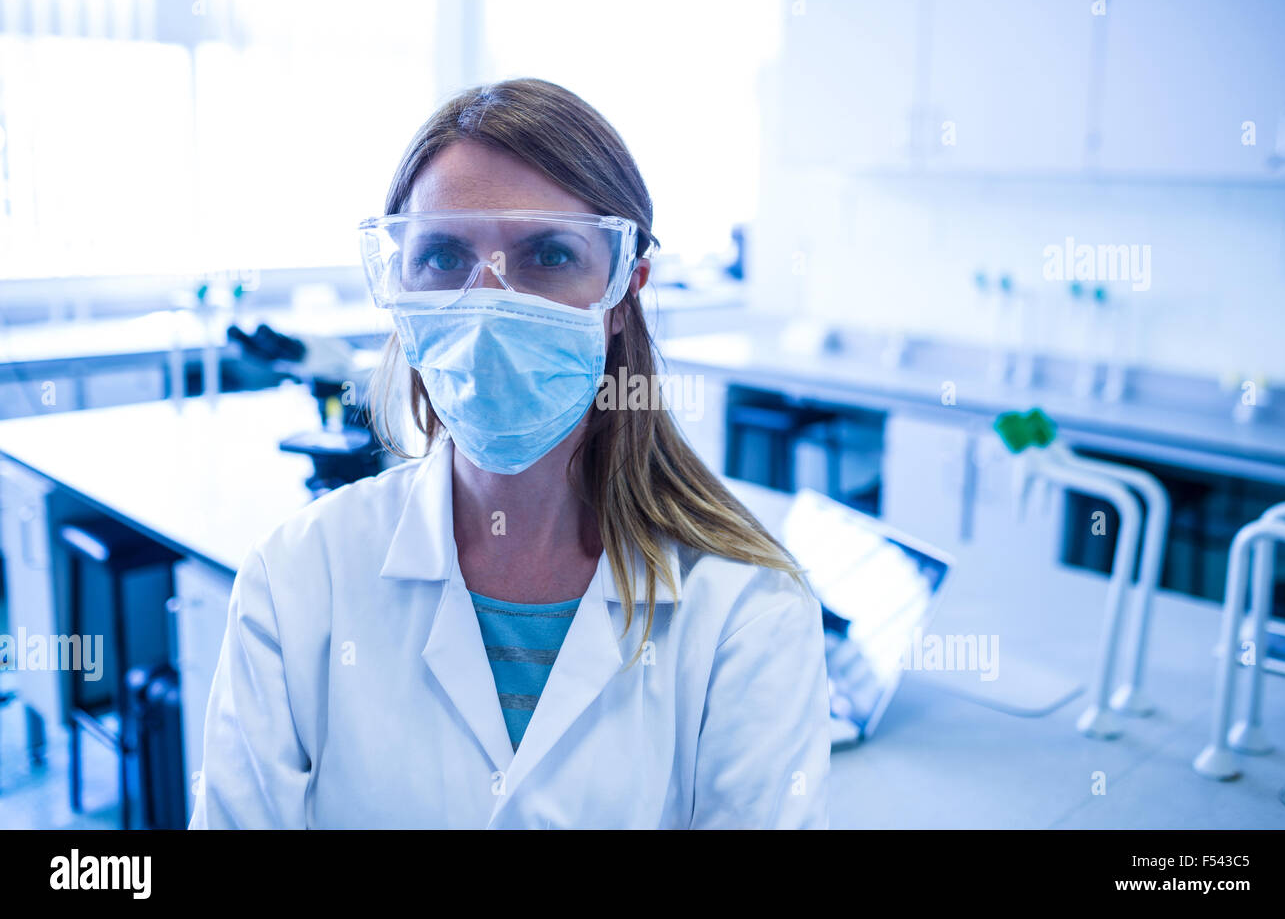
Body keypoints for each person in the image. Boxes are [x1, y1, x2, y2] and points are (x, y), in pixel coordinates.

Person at [189, 78, 831, 829]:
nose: (487, 304)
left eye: (549, 255)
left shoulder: (749, 612)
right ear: (398, 283)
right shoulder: (297, 577)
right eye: (443, 256)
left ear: (624, 291)